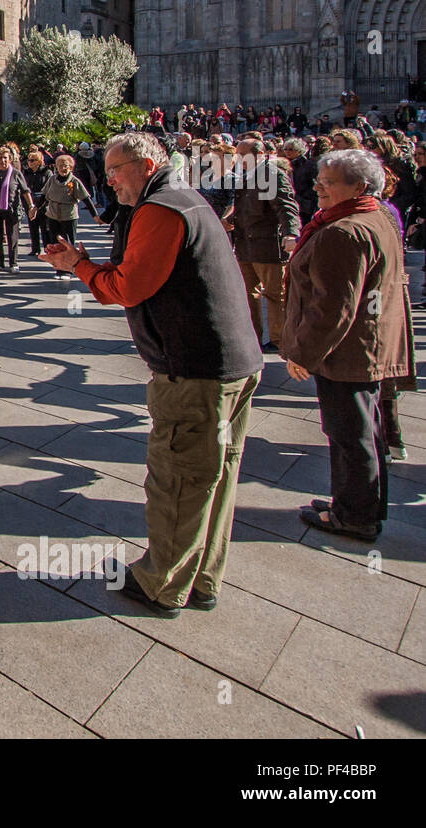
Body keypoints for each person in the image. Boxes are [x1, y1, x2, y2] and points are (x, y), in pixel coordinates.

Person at [40, 132, 263, 616]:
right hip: (230, 364)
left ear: (146, 164)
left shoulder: (161, 209)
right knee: (214, 477)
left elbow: (129, 286)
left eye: (116, 170)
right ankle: (199, 577)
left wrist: (80, 266)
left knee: (178, 480)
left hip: (196, 371)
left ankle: (162, 583)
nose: (110, 180)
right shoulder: (187, 199)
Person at [281, 149, 413, 542]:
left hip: (349, 351)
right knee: (363, 429)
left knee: (349, 433)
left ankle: (355, 515)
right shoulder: (375, 214)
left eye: (329, 181)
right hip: (368, 345)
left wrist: (301, 354)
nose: (318, 186)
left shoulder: (345, 231)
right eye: (319, 178)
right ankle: (357, 503)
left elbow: (332, 308)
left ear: (358, 187)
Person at [220, 137, 300, 353]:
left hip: (267, 246)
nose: (238, 158)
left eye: (242, 154)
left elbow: (286, 207)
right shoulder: (246, 176)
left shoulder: (272, 175)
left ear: (259, 155)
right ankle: (252, 338)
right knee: (248, 294)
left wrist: (291, 233)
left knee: (275, 295)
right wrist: (231, 220)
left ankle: (279, 340)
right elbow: (243, 206)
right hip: (245, 245)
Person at [36, 153, 102, 277]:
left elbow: (86, 199)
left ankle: (68, 270)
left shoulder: (74, 181)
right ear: (56, 167)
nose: (63, 168)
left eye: (66, 166)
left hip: (69, 216)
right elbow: (44, 196)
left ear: (71, 167)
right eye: (60, 166)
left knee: (68, 243)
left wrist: (95, 216)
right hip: (53, 215)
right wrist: (35, 209)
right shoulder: (52, 180)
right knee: (54, 243)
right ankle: (59, 269)